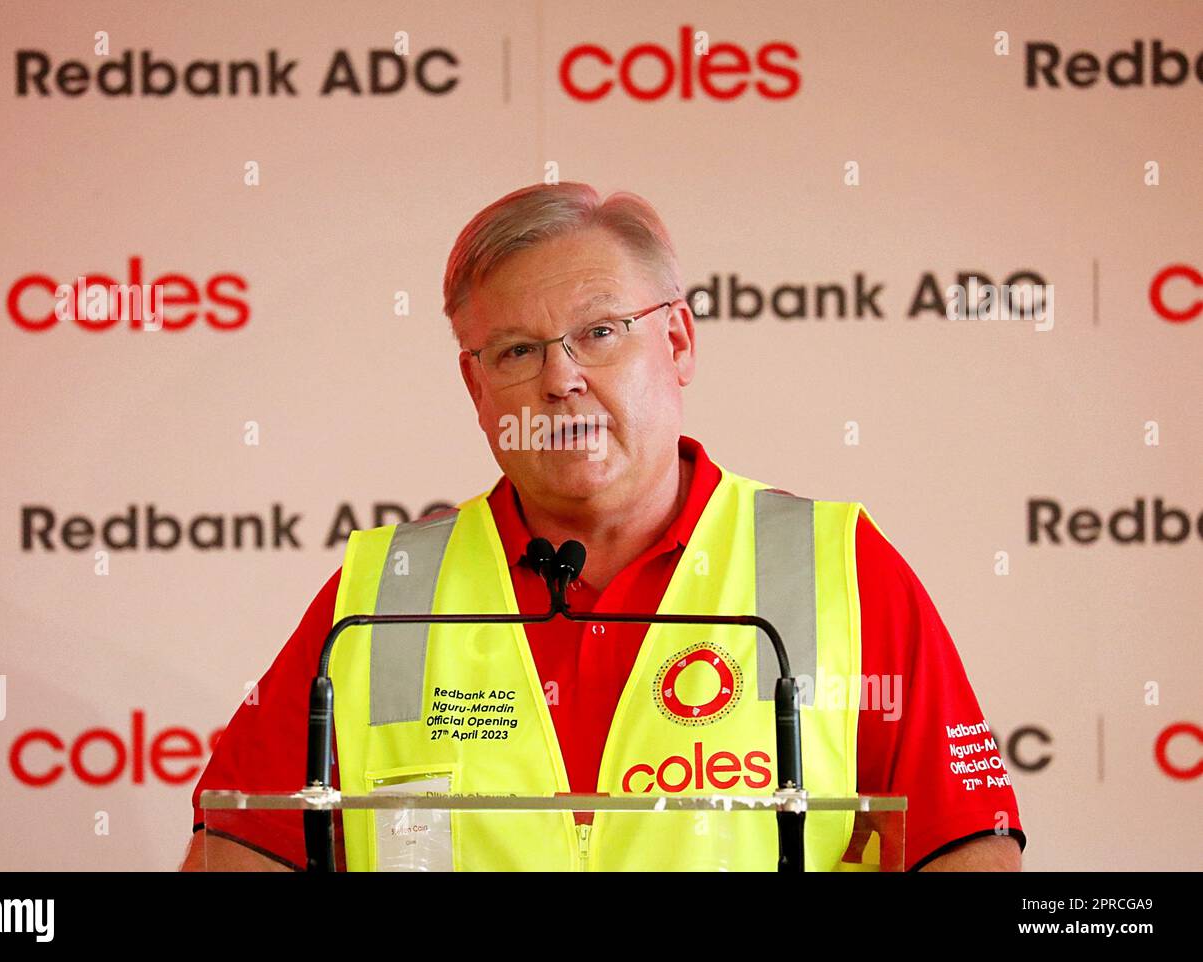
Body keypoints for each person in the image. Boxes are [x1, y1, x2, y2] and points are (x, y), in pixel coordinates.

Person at [180, 182, 1025, 871]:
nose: (562, 380)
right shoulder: (384, 592)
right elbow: (235, 850)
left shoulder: (834, 565)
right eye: (515, 352)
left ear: (680, 342)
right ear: (477, 393)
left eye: (599, 334)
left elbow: (967, 846)